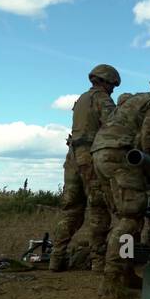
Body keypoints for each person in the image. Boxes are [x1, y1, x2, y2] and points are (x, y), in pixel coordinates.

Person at [91, 73, 150, 296]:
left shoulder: (138, 99)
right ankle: (113, 280)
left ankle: (125, 273)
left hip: (102, 153)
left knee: (125, 216)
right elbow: (148, 138)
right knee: (131, 217)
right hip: (121, 155)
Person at [49, 65, 119, 272]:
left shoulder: (80, 100)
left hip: (72, 157)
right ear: (106, 82)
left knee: (71, 209)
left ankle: (56, 258)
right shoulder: (102, 99)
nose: (113, 89)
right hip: (90, 157)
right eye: (113, 85)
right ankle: (98, 262)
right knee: (99, 208)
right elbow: (111, 127)